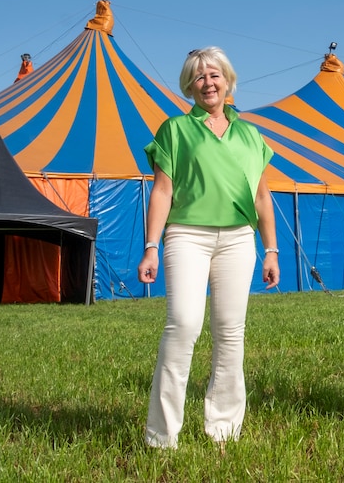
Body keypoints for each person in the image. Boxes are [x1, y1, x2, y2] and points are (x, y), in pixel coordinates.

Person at [137, 46, 280, 449]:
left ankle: (223, 430)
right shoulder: (175, 130)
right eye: (199, 76)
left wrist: (271, 251)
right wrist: (151, 246)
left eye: (214, 75)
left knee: (231, 333)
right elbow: (162, 191)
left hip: (239, 240)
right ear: (189, 85)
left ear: (228, 80)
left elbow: (262, 197)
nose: (208, 82)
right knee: (183, 324)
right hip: (186, 236)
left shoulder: (251, 135)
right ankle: (162, 436)